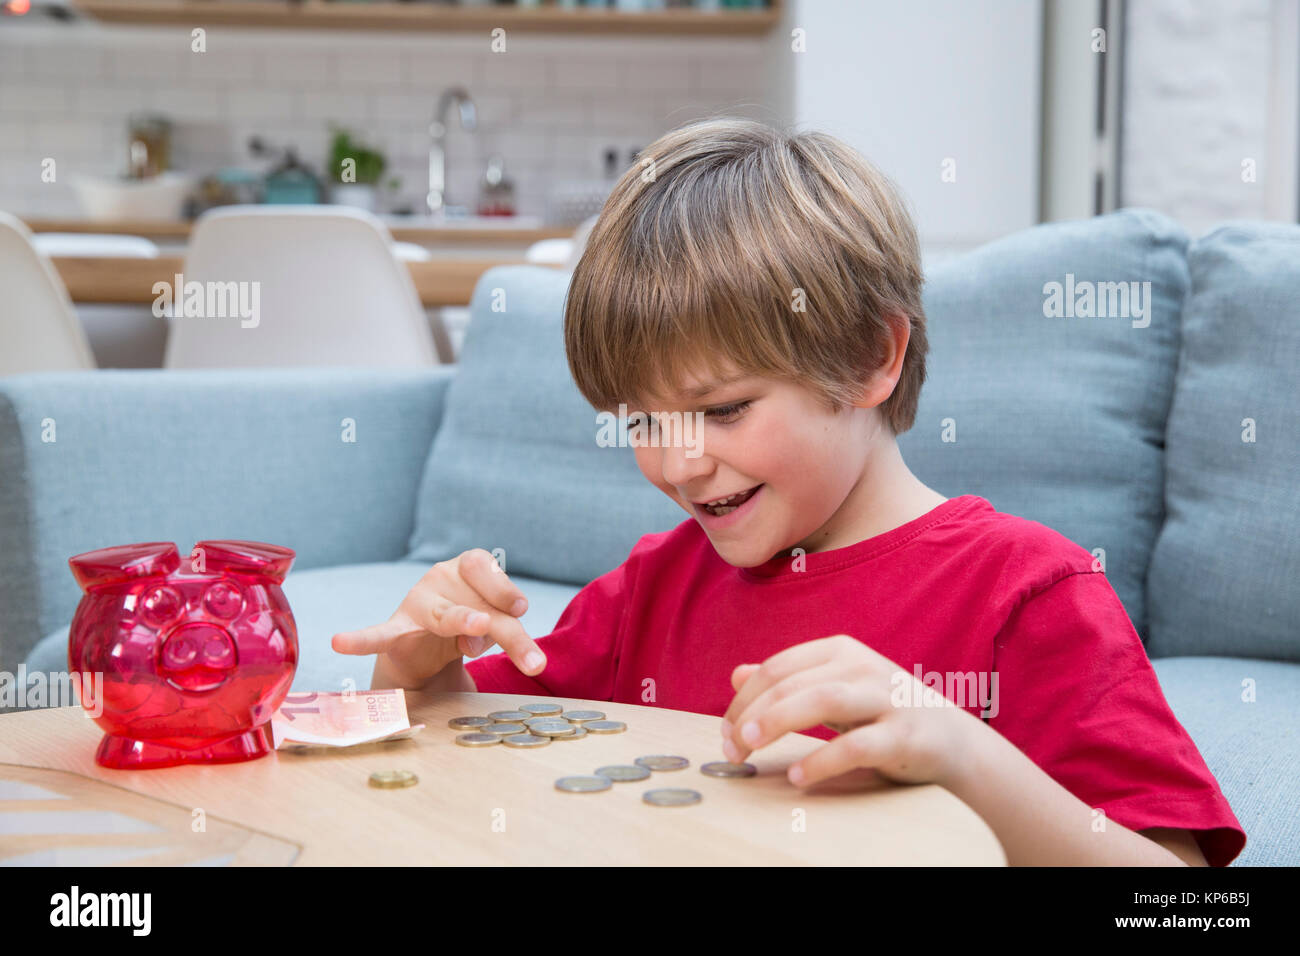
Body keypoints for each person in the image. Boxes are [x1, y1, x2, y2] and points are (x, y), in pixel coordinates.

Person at [332, 118, 1245, 867]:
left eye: (722, 409)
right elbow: (466, 763)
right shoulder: (655, 586)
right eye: (640, 421)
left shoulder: (1029, 593)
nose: (677, 464)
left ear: (870, 358)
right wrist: (420, 673)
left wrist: (962, 753)